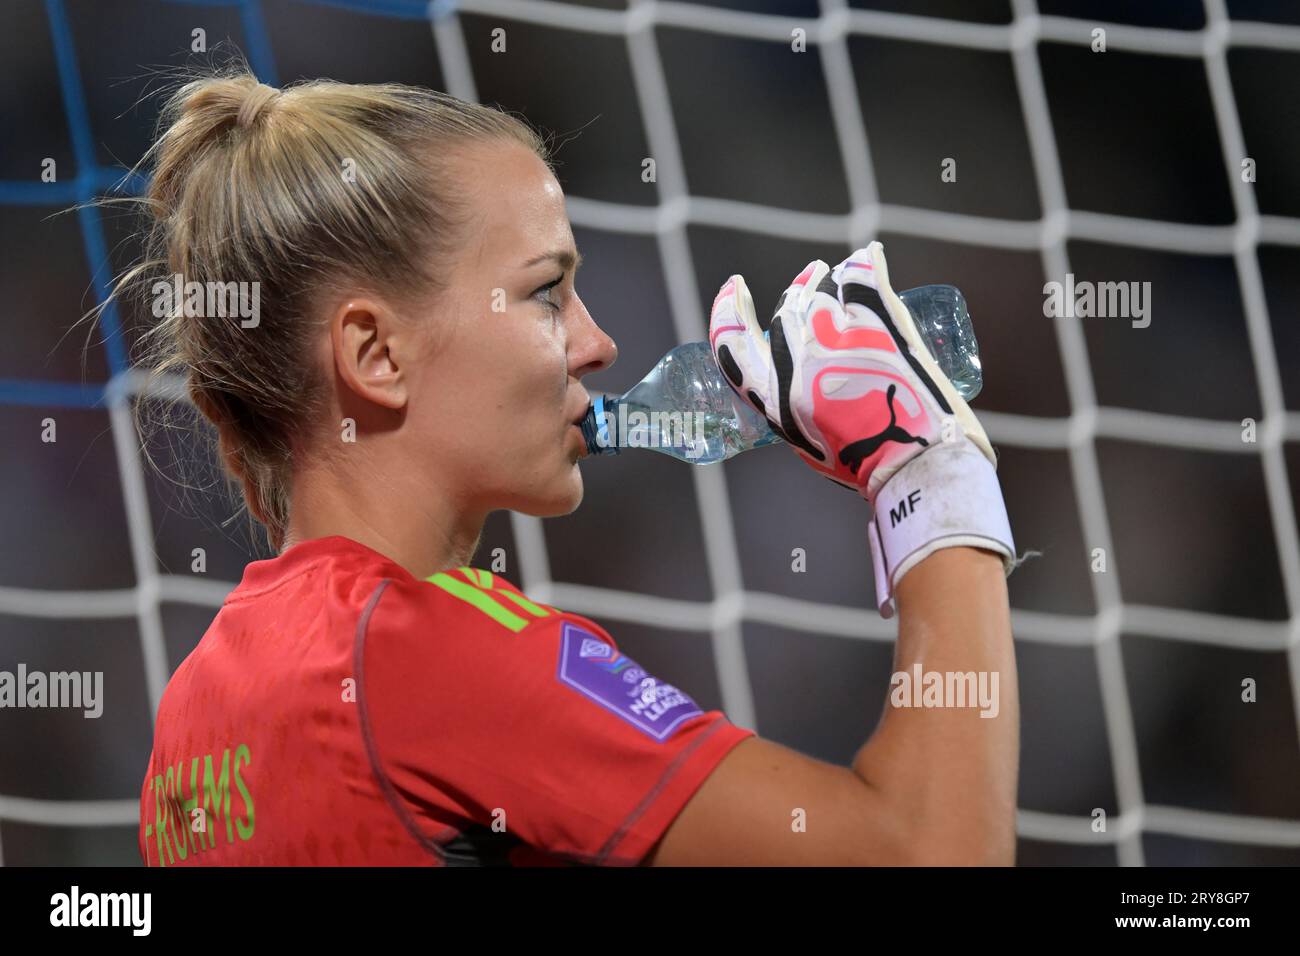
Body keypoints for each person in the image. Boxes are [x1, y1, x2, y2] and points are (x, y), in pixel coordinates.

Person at [124, 69, 1020, 867]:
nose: (598, 344)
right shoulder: (422, 651)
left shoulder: (194, 712)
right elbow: (933, 848)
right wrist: (923, 466)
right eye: (546, 292)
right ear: (375, 355)